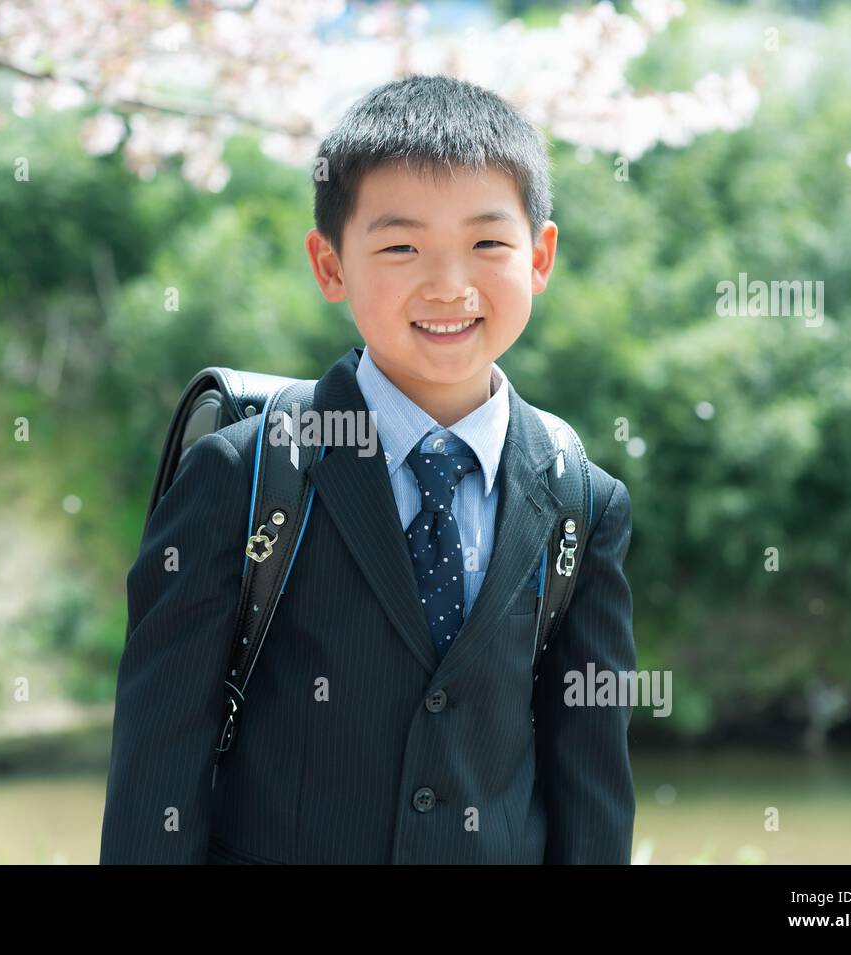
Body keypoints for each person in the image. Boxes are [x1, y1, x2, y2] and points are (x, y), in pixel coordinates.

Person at [100, 74, 635, 864]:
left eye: (488, 243)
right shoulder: (244, 478)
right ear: (330, 265)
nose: (450, 284)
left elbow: (590, 789)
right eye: (400, 246)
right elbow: (156, 775)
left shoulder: (581, 502)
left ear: (540, 256)